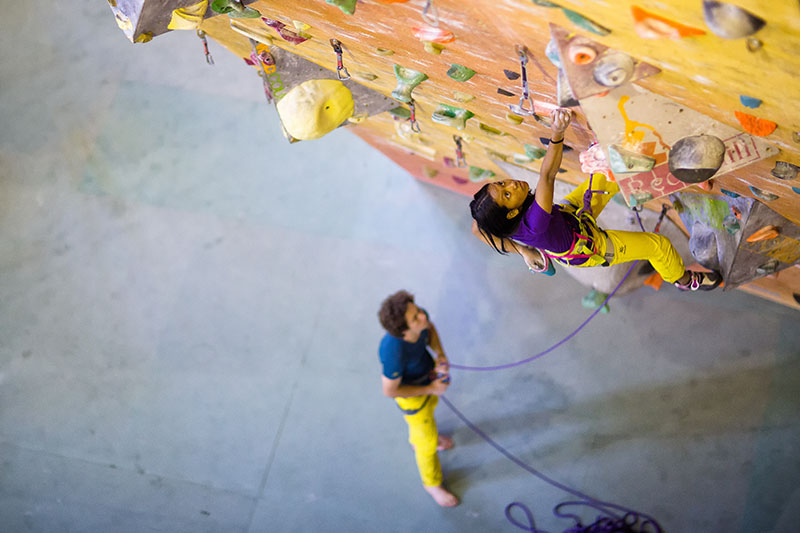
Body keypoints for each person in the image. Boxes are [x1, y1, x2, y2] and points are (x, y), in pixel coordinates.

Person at [469, 108, 722, 291]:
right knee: (658, 246)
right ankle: (682, 279)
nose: (511, 185)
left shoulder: (498, 221)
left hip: (570, 216)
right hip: (591, 246)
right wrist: (557, 132)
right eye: (508, 194)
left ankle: (646, 143)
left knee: (608, 171)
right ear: (512, 213)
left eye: (501, 184)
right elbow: (547, 174)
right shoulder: (535, 222)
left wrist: (523, 251)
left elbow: (477, 229)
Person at [377, 290, 459, 507]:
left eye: (418, 310)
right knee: (426, 444)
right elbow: (390, 390)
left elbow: (429, 329)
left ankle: (425, 438)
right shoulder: (392, 352)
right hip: (413, 397)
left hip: (428, 382)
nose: (423, 316)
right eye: (415, 318)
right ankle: (431, 484)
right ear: (404, 332)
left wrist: (440, 355)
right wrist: (431, 388)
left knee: (430, 414)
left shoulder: (421, 320)